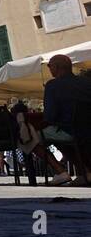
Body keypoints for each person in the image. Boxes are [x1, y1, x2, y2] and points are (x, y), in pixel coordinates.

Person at [41, 54, 91, 186]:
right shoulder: (86, 82)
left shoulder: (52, 85)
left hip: (70, 130)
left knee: (31, 137)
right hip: (87, 129)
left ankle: (60, 172)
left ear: (56, 67)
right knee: (61, 136)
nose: (49, 69)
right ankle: (85, 172)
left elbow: (50, 116)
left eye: (49, 66)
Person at [12, 101, 71, 186]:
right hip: (76, 128)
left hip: (65, 129)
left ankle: (60, 171)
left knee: (31, 140)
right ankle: (84, 171)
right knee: (35, 138)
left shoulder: (53, 89)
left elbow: (50, 114)